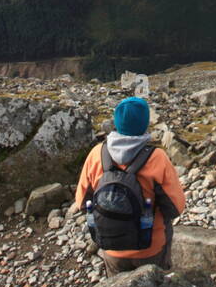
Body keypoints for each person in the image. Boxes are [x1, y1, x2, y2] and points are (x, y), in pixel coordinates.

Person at [73, 96, 186, 276]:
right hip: (150, 247)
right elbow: (175, 207)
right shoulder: (157, 158)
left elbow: (81, 202)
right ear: (145, 123)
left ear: (116, 123)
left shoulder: (97, 154)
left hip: (111, 247)